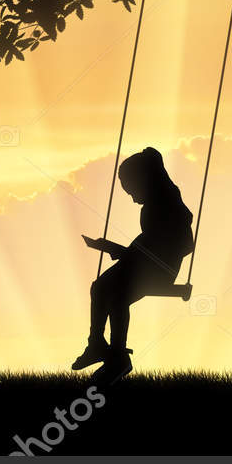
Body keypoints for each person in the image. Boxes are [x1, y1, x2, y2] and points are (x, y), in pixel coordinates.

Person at [73, 147, 193, 374]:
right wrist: (117, 249)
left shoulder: (166, 205)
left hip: (159, 270)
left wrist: (114, 249)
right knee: (100, 288)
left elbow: (162, 246)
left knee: (115, 295)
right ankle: (98, 344)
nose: (132, 198)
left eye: (132, 191)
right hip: (143, 265)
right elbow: (146, 246)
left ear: (145, 181)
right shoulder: (156, 204)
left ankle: (116, 354)